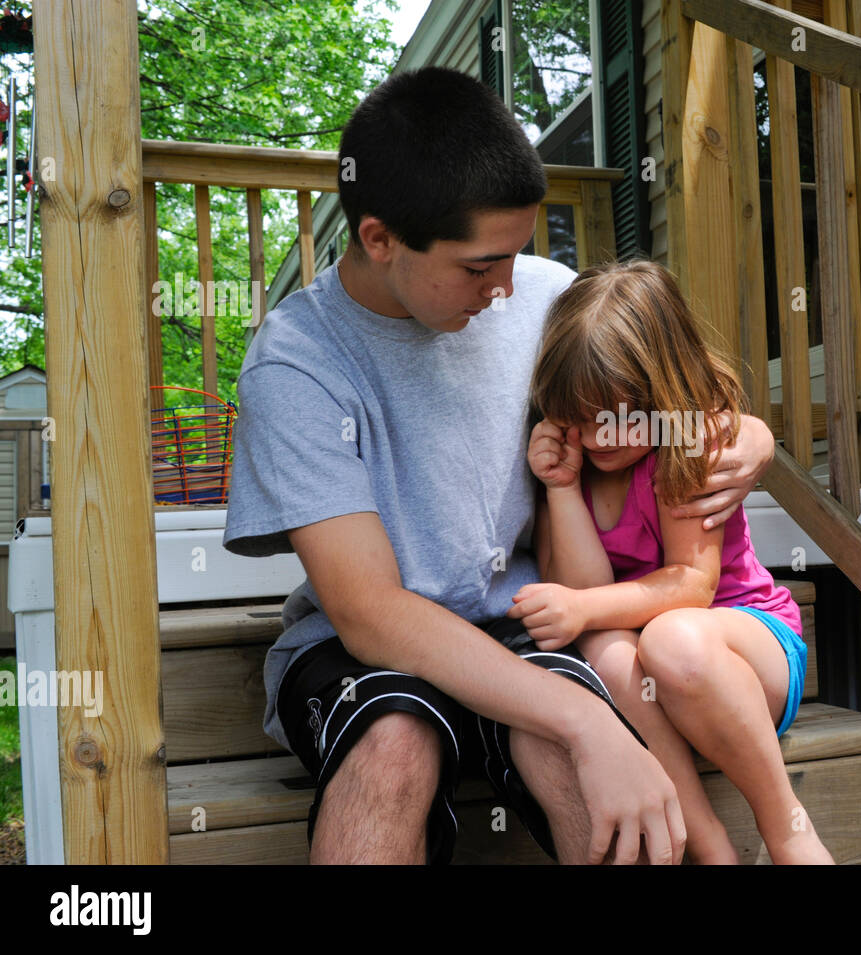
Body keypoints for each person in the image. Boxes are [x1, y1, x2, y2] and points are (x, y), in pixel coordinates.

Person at [221, 66, 778, 865]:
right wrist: (583, 717)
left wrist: (742, 433)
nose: (507, 287)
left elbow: (666, 380)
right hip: (366, 648)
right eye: (481, 266)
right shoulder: (296, 363)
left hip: (528, 622)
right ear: (379, 239)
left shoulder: (543, 295)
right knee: (395, 747)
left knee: (589, 773)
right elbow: (370, 612)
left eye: (519, 253)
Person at [511, 260, 834, 864]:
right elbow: (587, 589)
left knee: (673, 638)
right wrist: (559, 489)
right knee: (604, 645)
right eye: (579, 419)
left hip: (743, 646)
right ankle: (712, 850)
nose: (600, 437)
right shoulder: (575, 457)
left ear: (663, 393)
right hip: (647, 677)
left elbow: (692, 584)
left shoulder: (685, 449)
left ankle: (789, 831)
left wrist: (579, 607)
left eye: (618, 417)